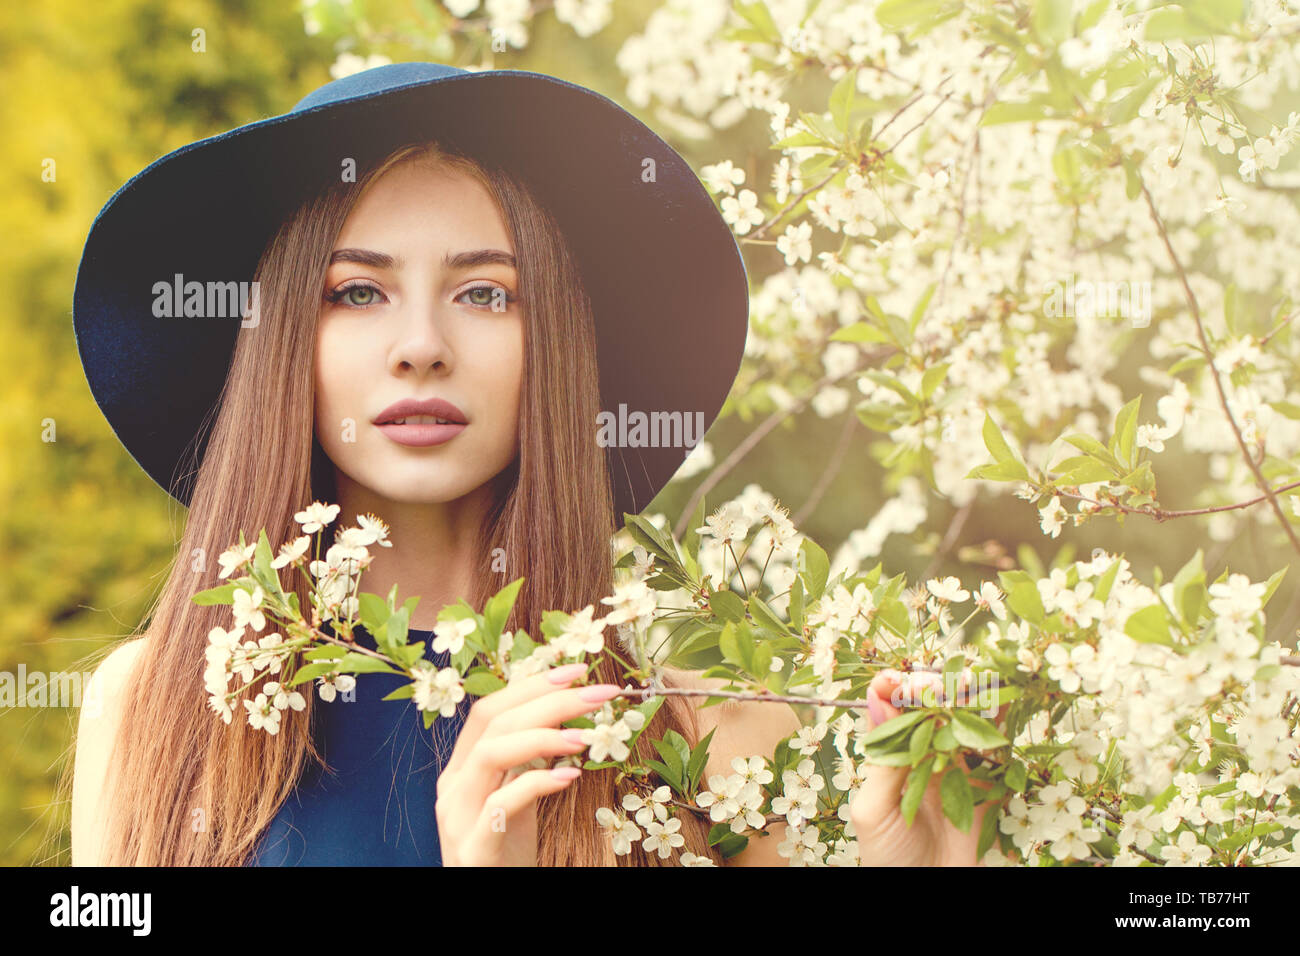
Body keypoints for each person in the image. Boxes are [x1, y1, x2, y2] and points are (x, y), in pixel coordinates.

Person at [66, 62, 986, 867]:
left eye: (483, 293)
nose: (421, 345)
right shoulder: (152, 712)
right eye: (356, 291)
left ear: (555, 345)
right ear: (280, 348)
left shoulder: (712, 731)